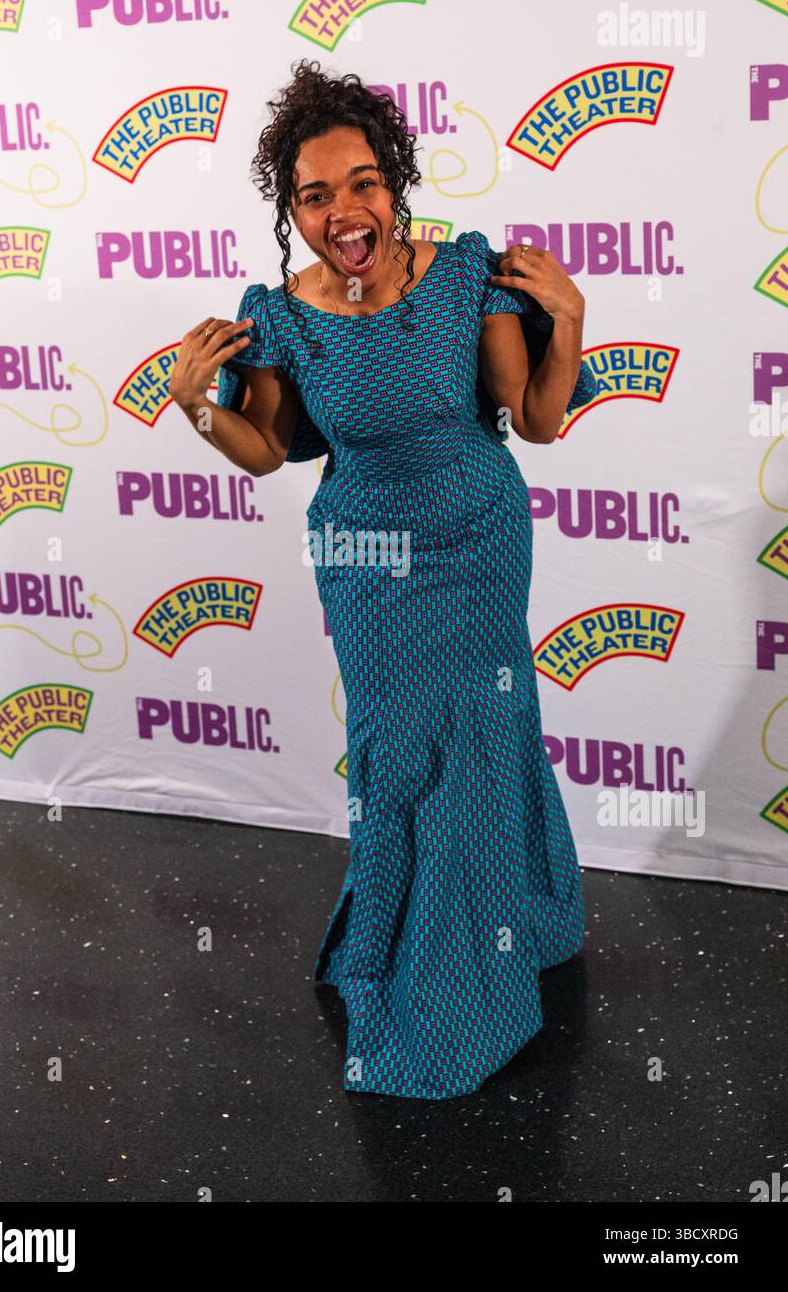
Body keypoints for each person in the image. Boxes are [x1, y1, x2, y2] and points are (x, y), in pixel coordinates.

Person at [170, 59, 599, 1100]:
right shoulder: (277, 314)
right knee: (400, 749)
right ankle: (415, 938)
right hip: (366, 555)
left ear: (394, 181)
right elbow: (268, 449)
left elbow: (534, 420)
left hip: (480, 536)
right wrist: (195, 404)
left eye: (361, 183)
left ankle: (494, 944)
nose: (343, 211)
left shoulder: (463, 275)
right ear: (292, 212)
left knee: (484, 737)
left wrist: (572, 318)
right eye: (314, 195)